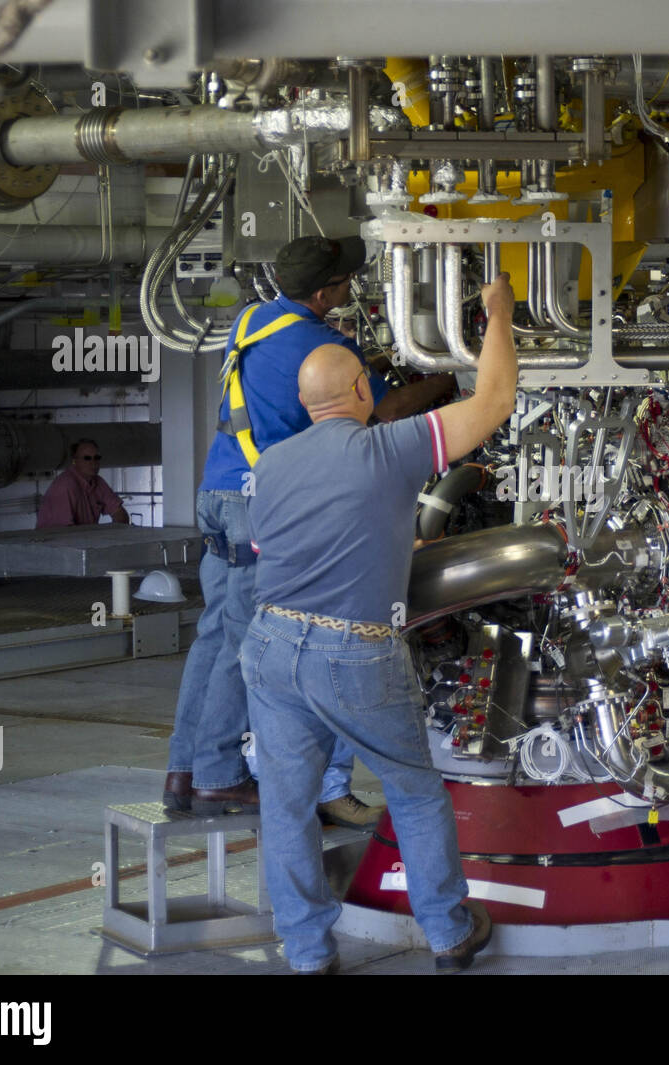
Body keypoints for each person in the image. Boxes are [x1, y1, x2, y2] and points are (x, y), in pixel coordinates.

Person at [239, 273, 517, 974]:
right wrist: (499, 314)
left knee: (287, 803)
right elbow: (495, 402)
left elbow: (290, 548)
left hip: (270, 644)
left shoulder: (270, 466)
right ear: (362, 390)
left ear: (306, 405)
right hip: (353, 652)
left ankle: (306, 951)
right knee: (415, 789)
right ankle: (450, 935)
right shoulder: (388, 448)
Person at [164, 235, 455, 817]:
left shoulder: (255, 320)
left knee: (216, 634)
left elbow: (310, 376)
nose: (351, 290)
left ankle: (185, 769)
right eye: (346, 283)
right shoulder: (317, 339)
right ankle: (221, 776)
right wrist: (451, 382)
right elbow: (385, 410)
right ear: (325, 292)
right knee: (245, 645)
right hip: (259, 498)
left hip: (218, 491)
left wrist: (370, 363)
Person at [36, 439, 130, 528]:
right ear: (74, 461)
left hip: (84, 541)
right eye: (87, 458)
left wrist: (112, 535)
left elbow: (121, 515)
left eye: (96, 458)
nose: (93, 463)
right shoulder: (65, 485)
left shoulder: (98, 482)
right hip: (54, 542)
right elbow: (63, 533)